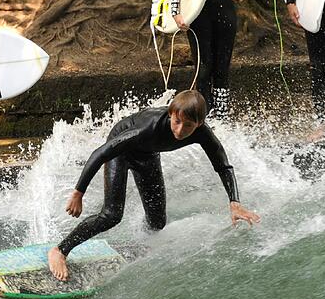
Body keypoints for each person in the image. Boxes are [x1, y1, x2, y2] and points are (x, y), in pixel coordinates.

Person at [48, 90, 260, 281]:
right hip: (120, 152)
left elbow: (223, 165)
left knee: (158, 222)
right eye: (177, 121)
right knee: (112, 215)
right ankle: (60, 250)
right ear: (171, 114)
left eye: (188, 126)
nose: (180, 130)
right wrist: (78, 192)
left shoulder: (202, 133)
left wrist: (234, 201)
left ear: (200, 123)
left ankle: (140, 243)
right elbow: (102, 152)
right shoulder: (146, 128)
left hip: (147, 155)